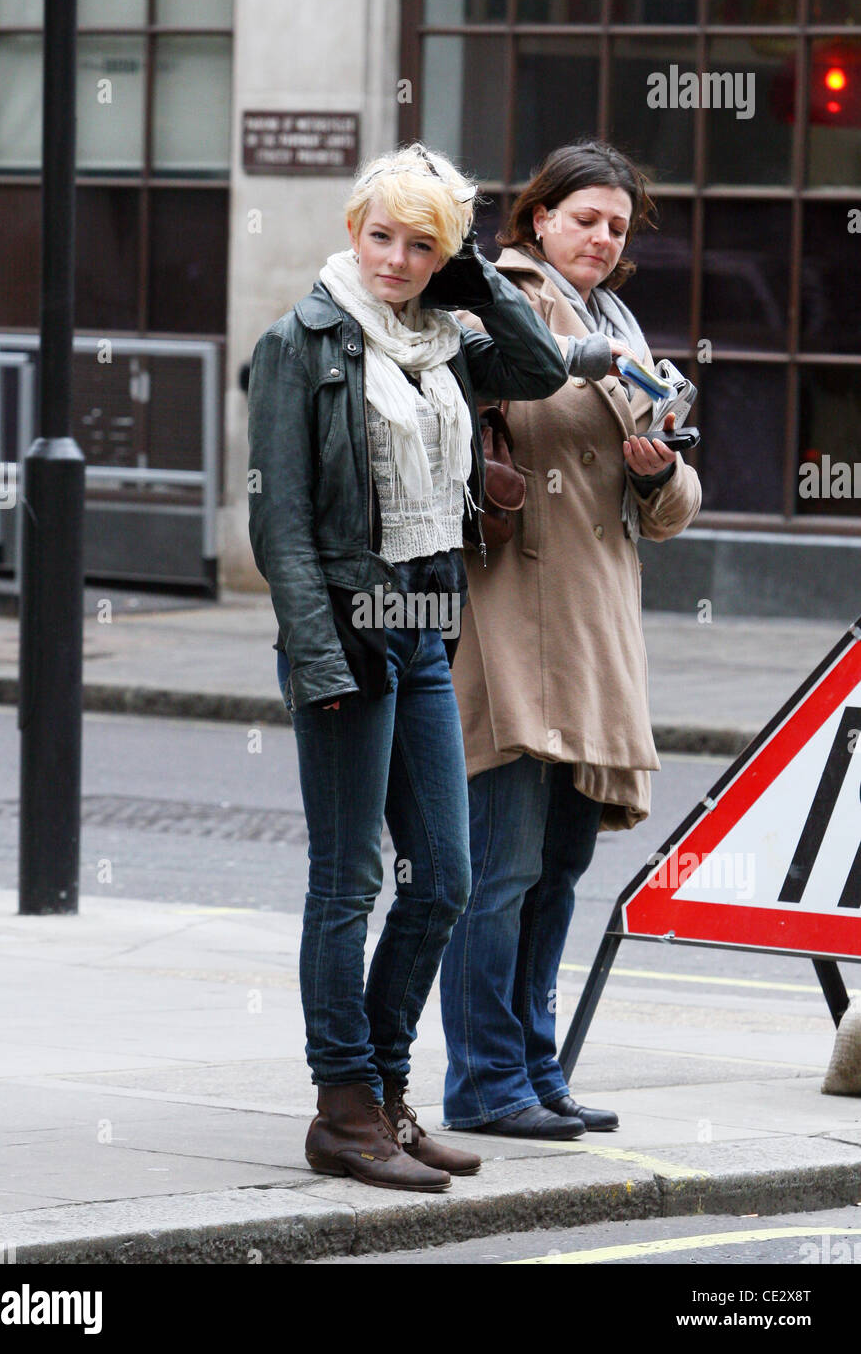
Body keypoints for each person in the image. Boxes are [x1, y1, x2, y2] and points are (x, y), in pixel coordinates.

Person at [247, 143, 606, 1191]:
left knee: (442, 879)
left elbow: (539, 367)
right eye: (382, 236)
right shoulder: (299, 344)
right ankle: (341, 1105)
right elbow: (281, 526)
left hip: (426, 631)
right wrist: (318, 659)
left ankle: (389, 1092)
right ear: (352, 229)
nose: (396, 259)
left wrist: (473, 278)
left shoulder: (446, 340)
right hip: (348, 639)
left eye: (421, 243)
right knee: (348, 881)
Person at [440, 139, 702, 1140]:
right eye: (583, 216)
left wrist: (650, 470)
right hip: (511, 611)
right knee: (497, 871)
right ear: (536, 218)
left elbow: (676, 504)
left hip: (593, 624)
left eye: (616, 227)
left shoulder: (620, 324)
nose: (600, 237)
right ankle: (483, 1080)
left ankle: (536, 1070)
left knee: (557, 870)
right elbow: (496, 383)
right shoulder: (491, 299)